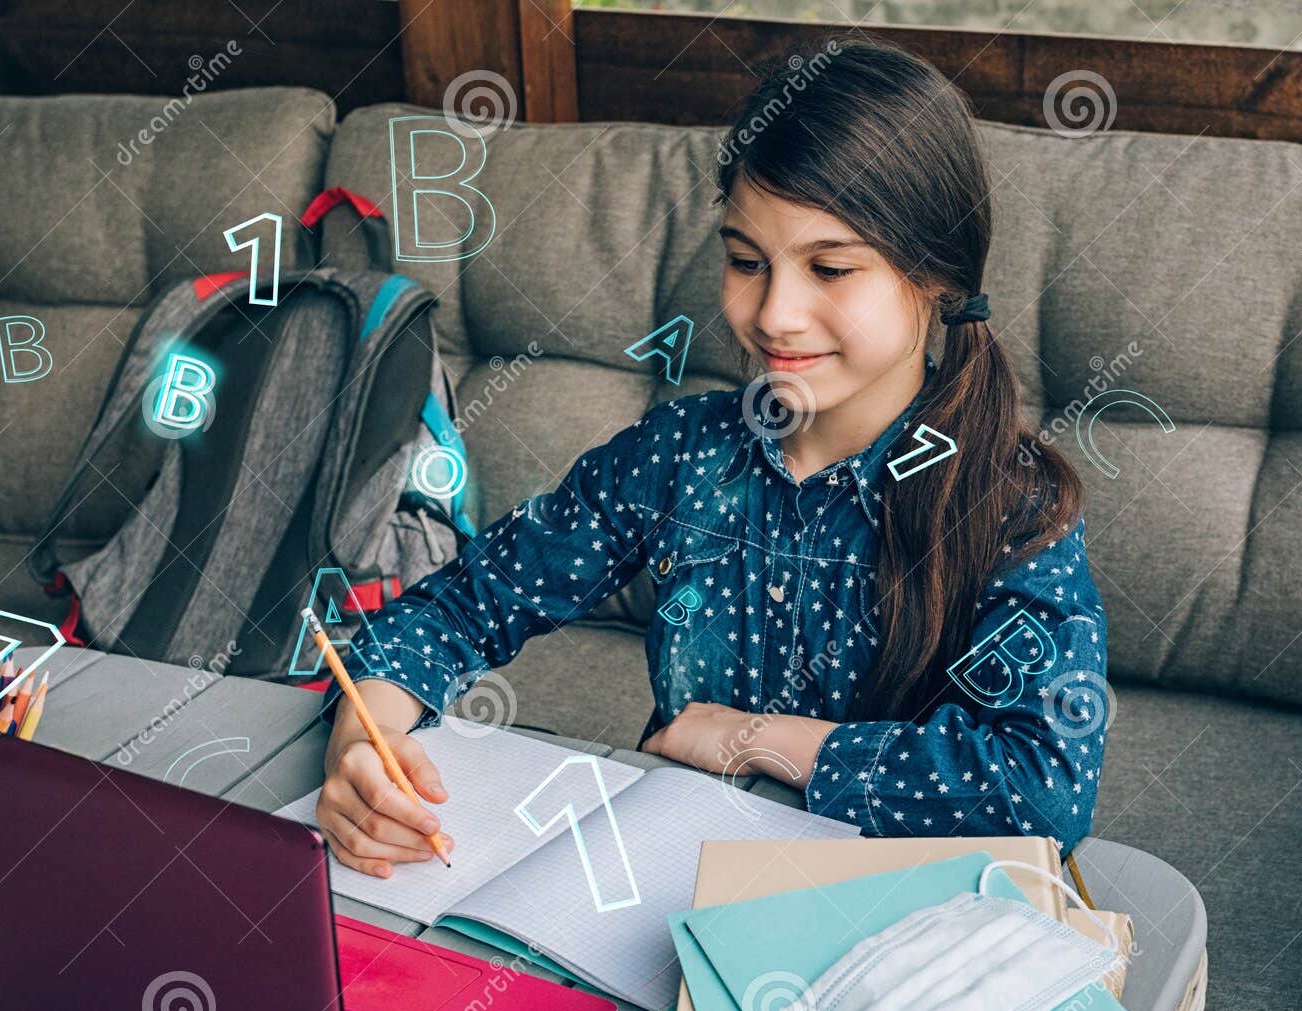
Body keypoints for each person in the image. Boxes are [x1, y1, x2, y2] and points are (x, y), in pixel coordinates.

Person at [317, 36, 1107, 879]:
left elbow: (1042, 789)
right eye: (745, 261)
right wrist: (366, 734)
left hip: (894, 929)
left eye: (830, 268)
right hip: (668, 882)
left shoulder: (1006, 501)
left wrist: (753, 739)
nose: (775, 315)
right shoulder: (679, 453)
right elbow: (461, 605)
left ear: (937, 278)